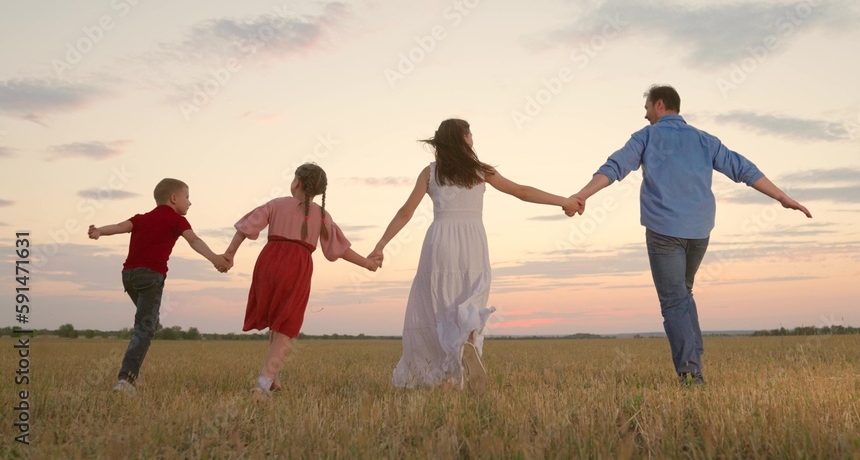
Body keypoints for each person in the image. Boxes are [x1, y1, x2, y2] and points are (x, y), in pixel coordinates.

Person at [570, 85, 811, 385]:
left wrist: (582, 195)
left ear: (659, 104)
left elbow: (615, 167)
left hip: (664, 231)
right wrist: (782, 197)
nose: (645, 115)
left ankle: (691, 375)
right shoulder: (704, 139)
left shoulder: (647, 136)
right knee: (683, 291)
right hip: (699, 232)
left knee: (673, 300)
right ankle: (695, 352)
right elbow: (744, 169)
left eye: (646, 108)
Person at [368, 119, 581, 392]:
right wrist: (563, 200)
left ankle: (444, 375)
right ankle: (466, 341)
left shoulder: (430, 173)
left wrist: (381, 245)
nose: (472, 137)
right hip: (473, 242)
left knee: (438, 307)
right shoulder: (481, 171)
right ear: (464, 138)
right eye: (470, 133)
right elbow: (522, 192)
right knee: (471, 298)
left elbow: (405, 212)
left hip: (440, 242)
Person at [222, 163, 378, 400]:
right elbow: (338, 250)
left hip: (268, 263)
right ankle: (262, 386)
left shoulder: (275, 204)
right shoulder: (322, 215)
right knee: (286, 326)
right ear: (319, 191)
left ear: (296, 182)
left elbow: (245, 229)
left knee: (277, 322)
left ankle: (271, 378)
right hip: (297, 266)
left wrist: (230, 254)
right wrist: (366, 263)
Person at [88, 178, 230, 393]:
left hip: (129, 276)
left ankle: (131, 376)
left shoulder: (141, 218)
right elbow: (194, 241)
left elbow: (119, 227)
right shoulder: (176, 220)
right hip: (150, 277)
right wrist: (215, 259)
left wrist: (99, 231)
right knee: (144, 328)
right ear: (174, 198)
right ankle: (125, 380)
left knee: (149, 323)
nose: (190, 203)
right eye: (187, 197)